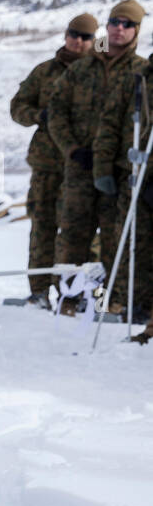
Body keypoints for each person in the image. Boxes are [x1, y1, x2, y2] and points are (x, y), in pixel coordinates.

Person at [48, 0, 147, 315]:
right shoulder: (81, 68)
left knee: (118, 237)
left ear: (137, 30)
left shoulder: (141, 72)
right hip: (80, 166)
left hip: (122, 170)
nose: (120, 28)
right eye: (115, 21)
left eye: (127, 24)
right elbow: (56, 112)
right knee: (74, 233)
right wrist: (72, 149)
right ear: (107, 25)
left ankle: (116, 300)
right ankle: (69, 298)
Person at [9, 14, 96, 309]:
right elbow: (18, 107)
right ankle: (39, 292)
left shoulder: (98, 72)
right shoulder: (44, 72)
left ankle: (74, 294)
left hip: (82, 166)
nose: (78, 41)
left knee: (77, 231)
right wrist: (38, 115)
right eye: (74, 34)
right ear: (66, 34)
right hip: (47, 164)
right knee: (42, 227)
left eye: (85, 37)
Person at [93, 25, 153, 325]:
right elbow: (109, 125)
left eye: (128, 24)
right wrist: (103, 168)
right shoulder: (140, 77)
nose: (120, 29)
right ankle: (137, 305)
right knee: (134, 243)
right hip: (137, 173)